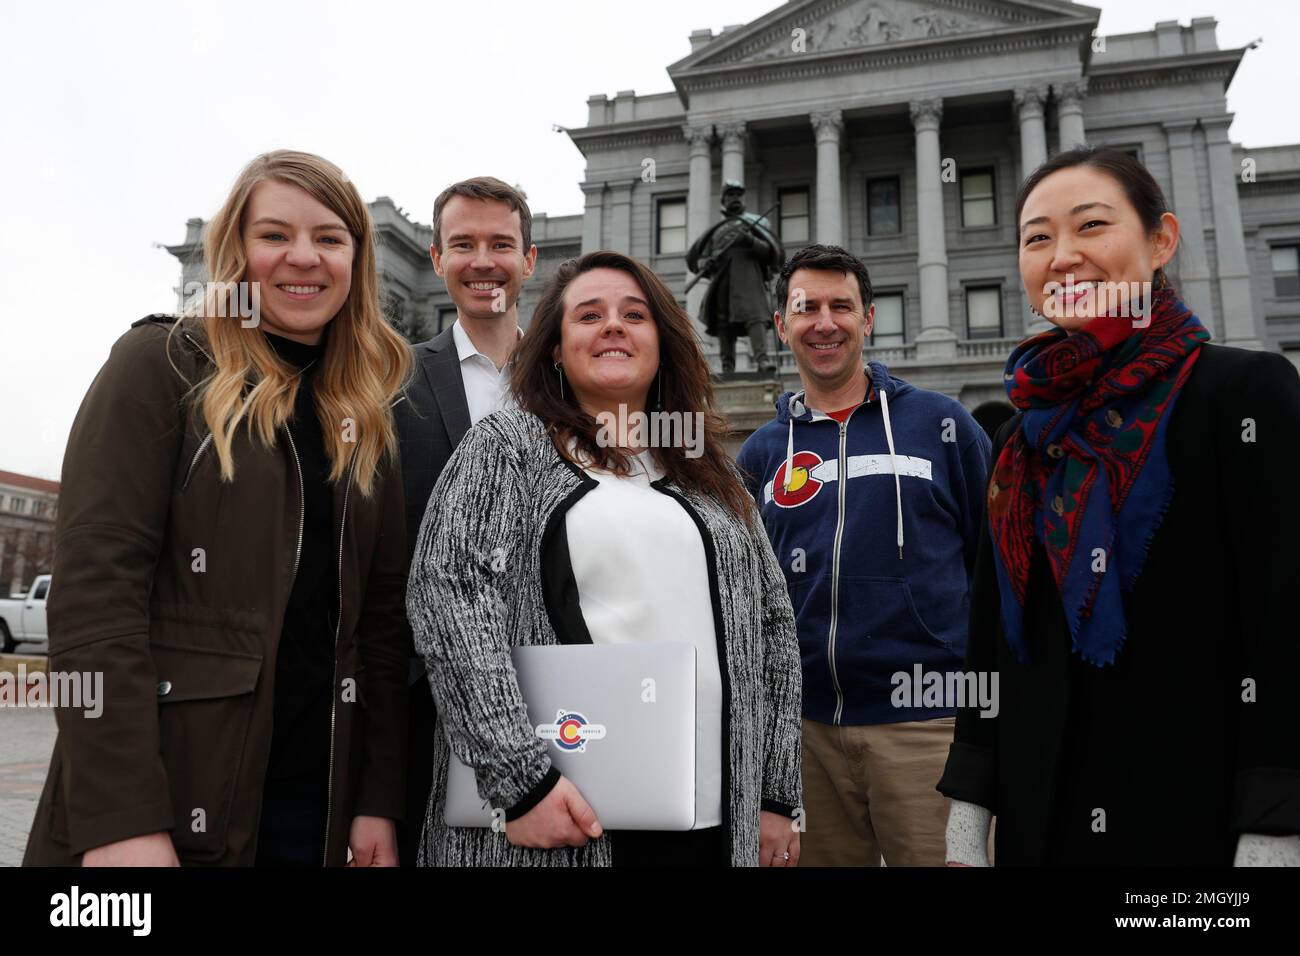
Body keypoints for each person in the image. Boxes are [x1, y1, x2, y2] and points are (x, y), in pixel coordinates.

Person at [23, 150, 412, 867]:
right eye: (275, 235)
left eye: (329, 238)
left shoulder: (365, 416)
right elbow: (96, 596)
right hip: (171, 801)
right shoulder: (161, 363)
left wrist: (377, 798)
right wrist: (119, 819)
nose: (304, 257)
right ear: (237, 251)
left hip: (318, 814)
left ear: (356, 261)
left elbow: (382, 626)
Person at [938, 146, 1300, 866]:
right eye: (1037, 238)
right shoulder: (1019, 434)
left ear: (1161, 240)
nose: (1062, 257)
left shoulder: (1242, 394)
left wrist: (1277, 816)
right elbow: (990, 629)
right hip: (1044, 814)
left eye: (1091, 226)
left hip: (1195, 812)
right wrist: (970, 802)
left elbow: (1286, 615)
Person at [407, 250, 803, 866]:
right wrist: (521, 780)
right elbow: (448, 594)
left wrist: (776, 791)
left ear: (662, 345)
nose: (613, 325)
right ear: (555, 349)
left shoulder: (711, 472)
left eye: (635, 315)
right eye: (589, 315)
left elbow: (773, 626)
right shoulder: (508, 446)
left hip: (713, 816)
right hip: (559, 818)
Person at [737, 244, 990, 867]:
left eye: (841, 306)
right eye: (807, 308)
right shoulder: (762, 453)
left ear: (868, 319)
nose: (824, 323)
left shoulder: (942, 424)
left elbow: (996, 572)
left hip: (927, 725)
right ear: (782, 325)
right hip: (802, 736)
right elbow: (746, 596)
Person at [393, 176, 536, 866]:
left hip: (560, 680)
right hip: (430, 692)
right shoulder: (393, 382)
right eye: (463, 244)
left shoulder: (575, 381)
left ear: (528, 260)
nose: (484, 262)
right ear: (437, 258)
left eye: (501, 245)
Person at [686, 179, 783, 376]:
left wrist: (749, 240)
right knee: (724, 324)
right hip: (722, 282)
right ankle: (727, 366)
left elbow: (770, 252)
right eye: (730, 195)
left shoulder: (755, 223)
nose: (735, 198)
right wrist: (707, 263)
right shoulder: (717, 231)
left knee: (755, 317)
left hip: (749, 279)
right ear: (723, 200)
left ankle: (762, 360)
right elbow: (703, 258)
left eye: (738, 194)